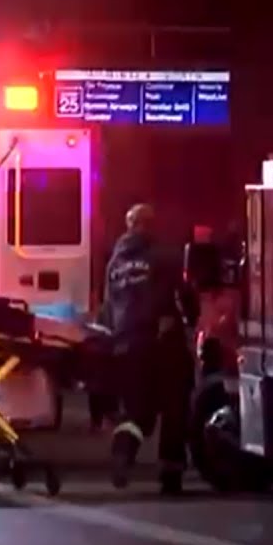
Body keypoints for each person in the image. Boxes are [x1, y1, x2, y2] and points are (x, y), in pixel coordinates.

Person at [99, 203, 199, 494]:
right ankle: (171, 473)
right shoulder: (162, 256)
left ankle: (123, 451)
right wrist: (191, 320)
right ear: (149, 224)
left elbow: (108, 306)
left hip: (125, 344)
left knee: (136, 411)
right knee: (175, 405)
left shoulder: (114, 265)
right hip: (161, 340)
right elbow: (183, 294)